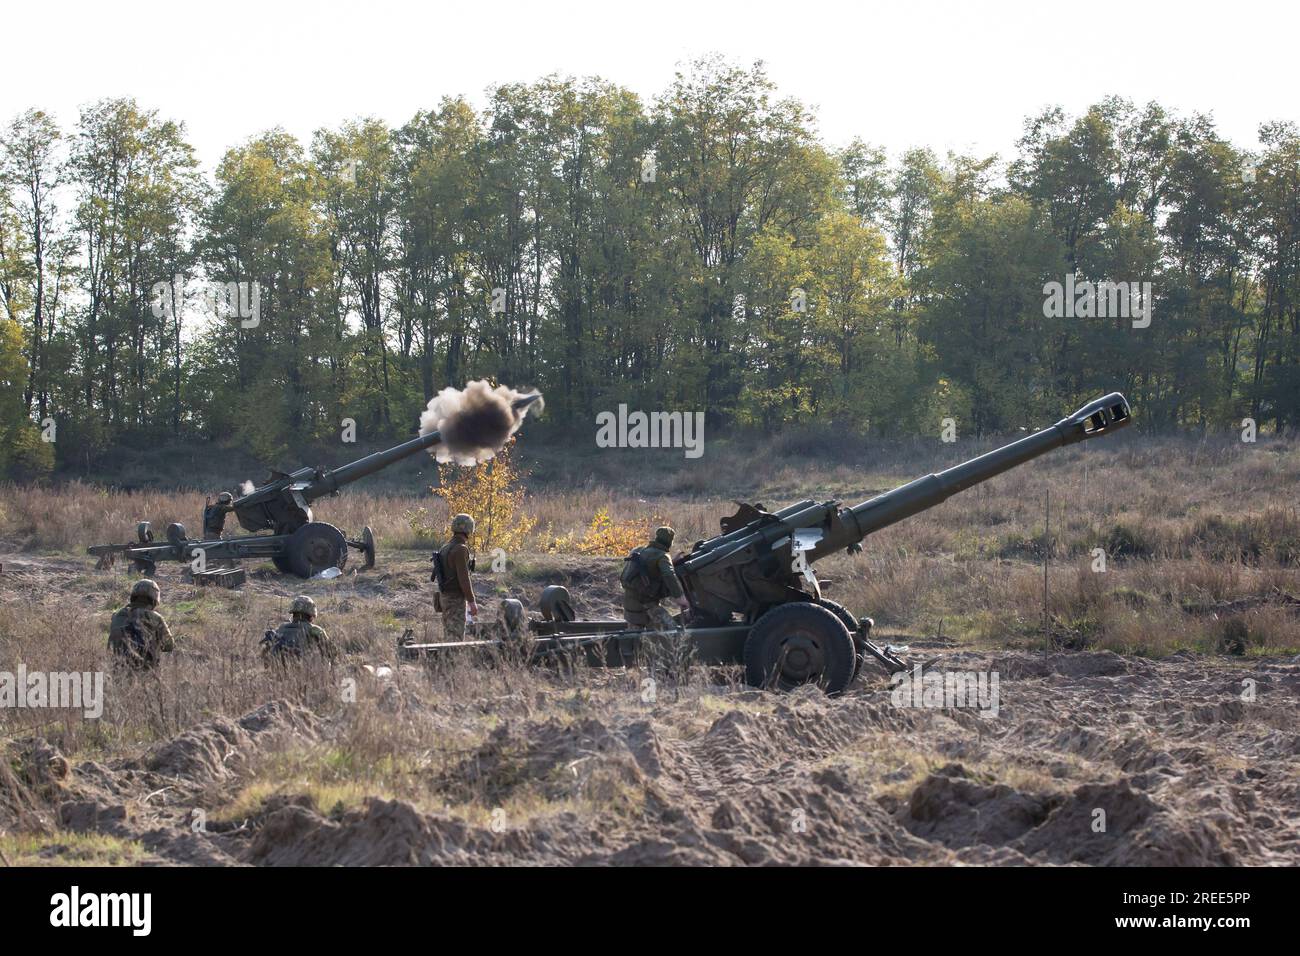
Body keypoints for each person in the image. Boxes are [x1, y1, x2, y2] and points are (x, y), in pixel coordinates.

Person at [621, 526, 690, 631]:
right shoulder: (662, 556)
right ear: (670, 542)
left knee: (634, 635)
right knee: (671, 631)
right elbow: (669, 575)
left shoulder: (638, 550)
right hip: (646, 604)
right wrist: (680, 598)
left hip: (628, 602)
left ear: (656, 538)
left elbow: (649, 568)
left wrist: (671, 563)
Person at [108, 579, 175, 670]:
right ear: (154, 599)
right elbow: (169, 645)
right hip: (144, 670)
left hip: (117, 668)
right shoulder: (155, 617)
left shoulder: (117, 615)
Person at [433, 513, 478, 640]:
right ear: (469, 529)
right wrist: (472, 601)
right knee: (455, 639)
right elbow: (464, 579)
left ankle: (447, 653)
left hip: (444, 597)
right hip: (455, 599)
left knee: (449, 635)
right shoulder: (460, 549)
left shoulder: (446, 547)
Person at [261, 595, 337, 664]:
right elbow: (331, 652)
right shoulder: (314, 629)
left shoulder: (281, 628)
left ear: (293, 612)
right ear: (311, 614)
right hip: (305, 669)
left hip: (278, 669)